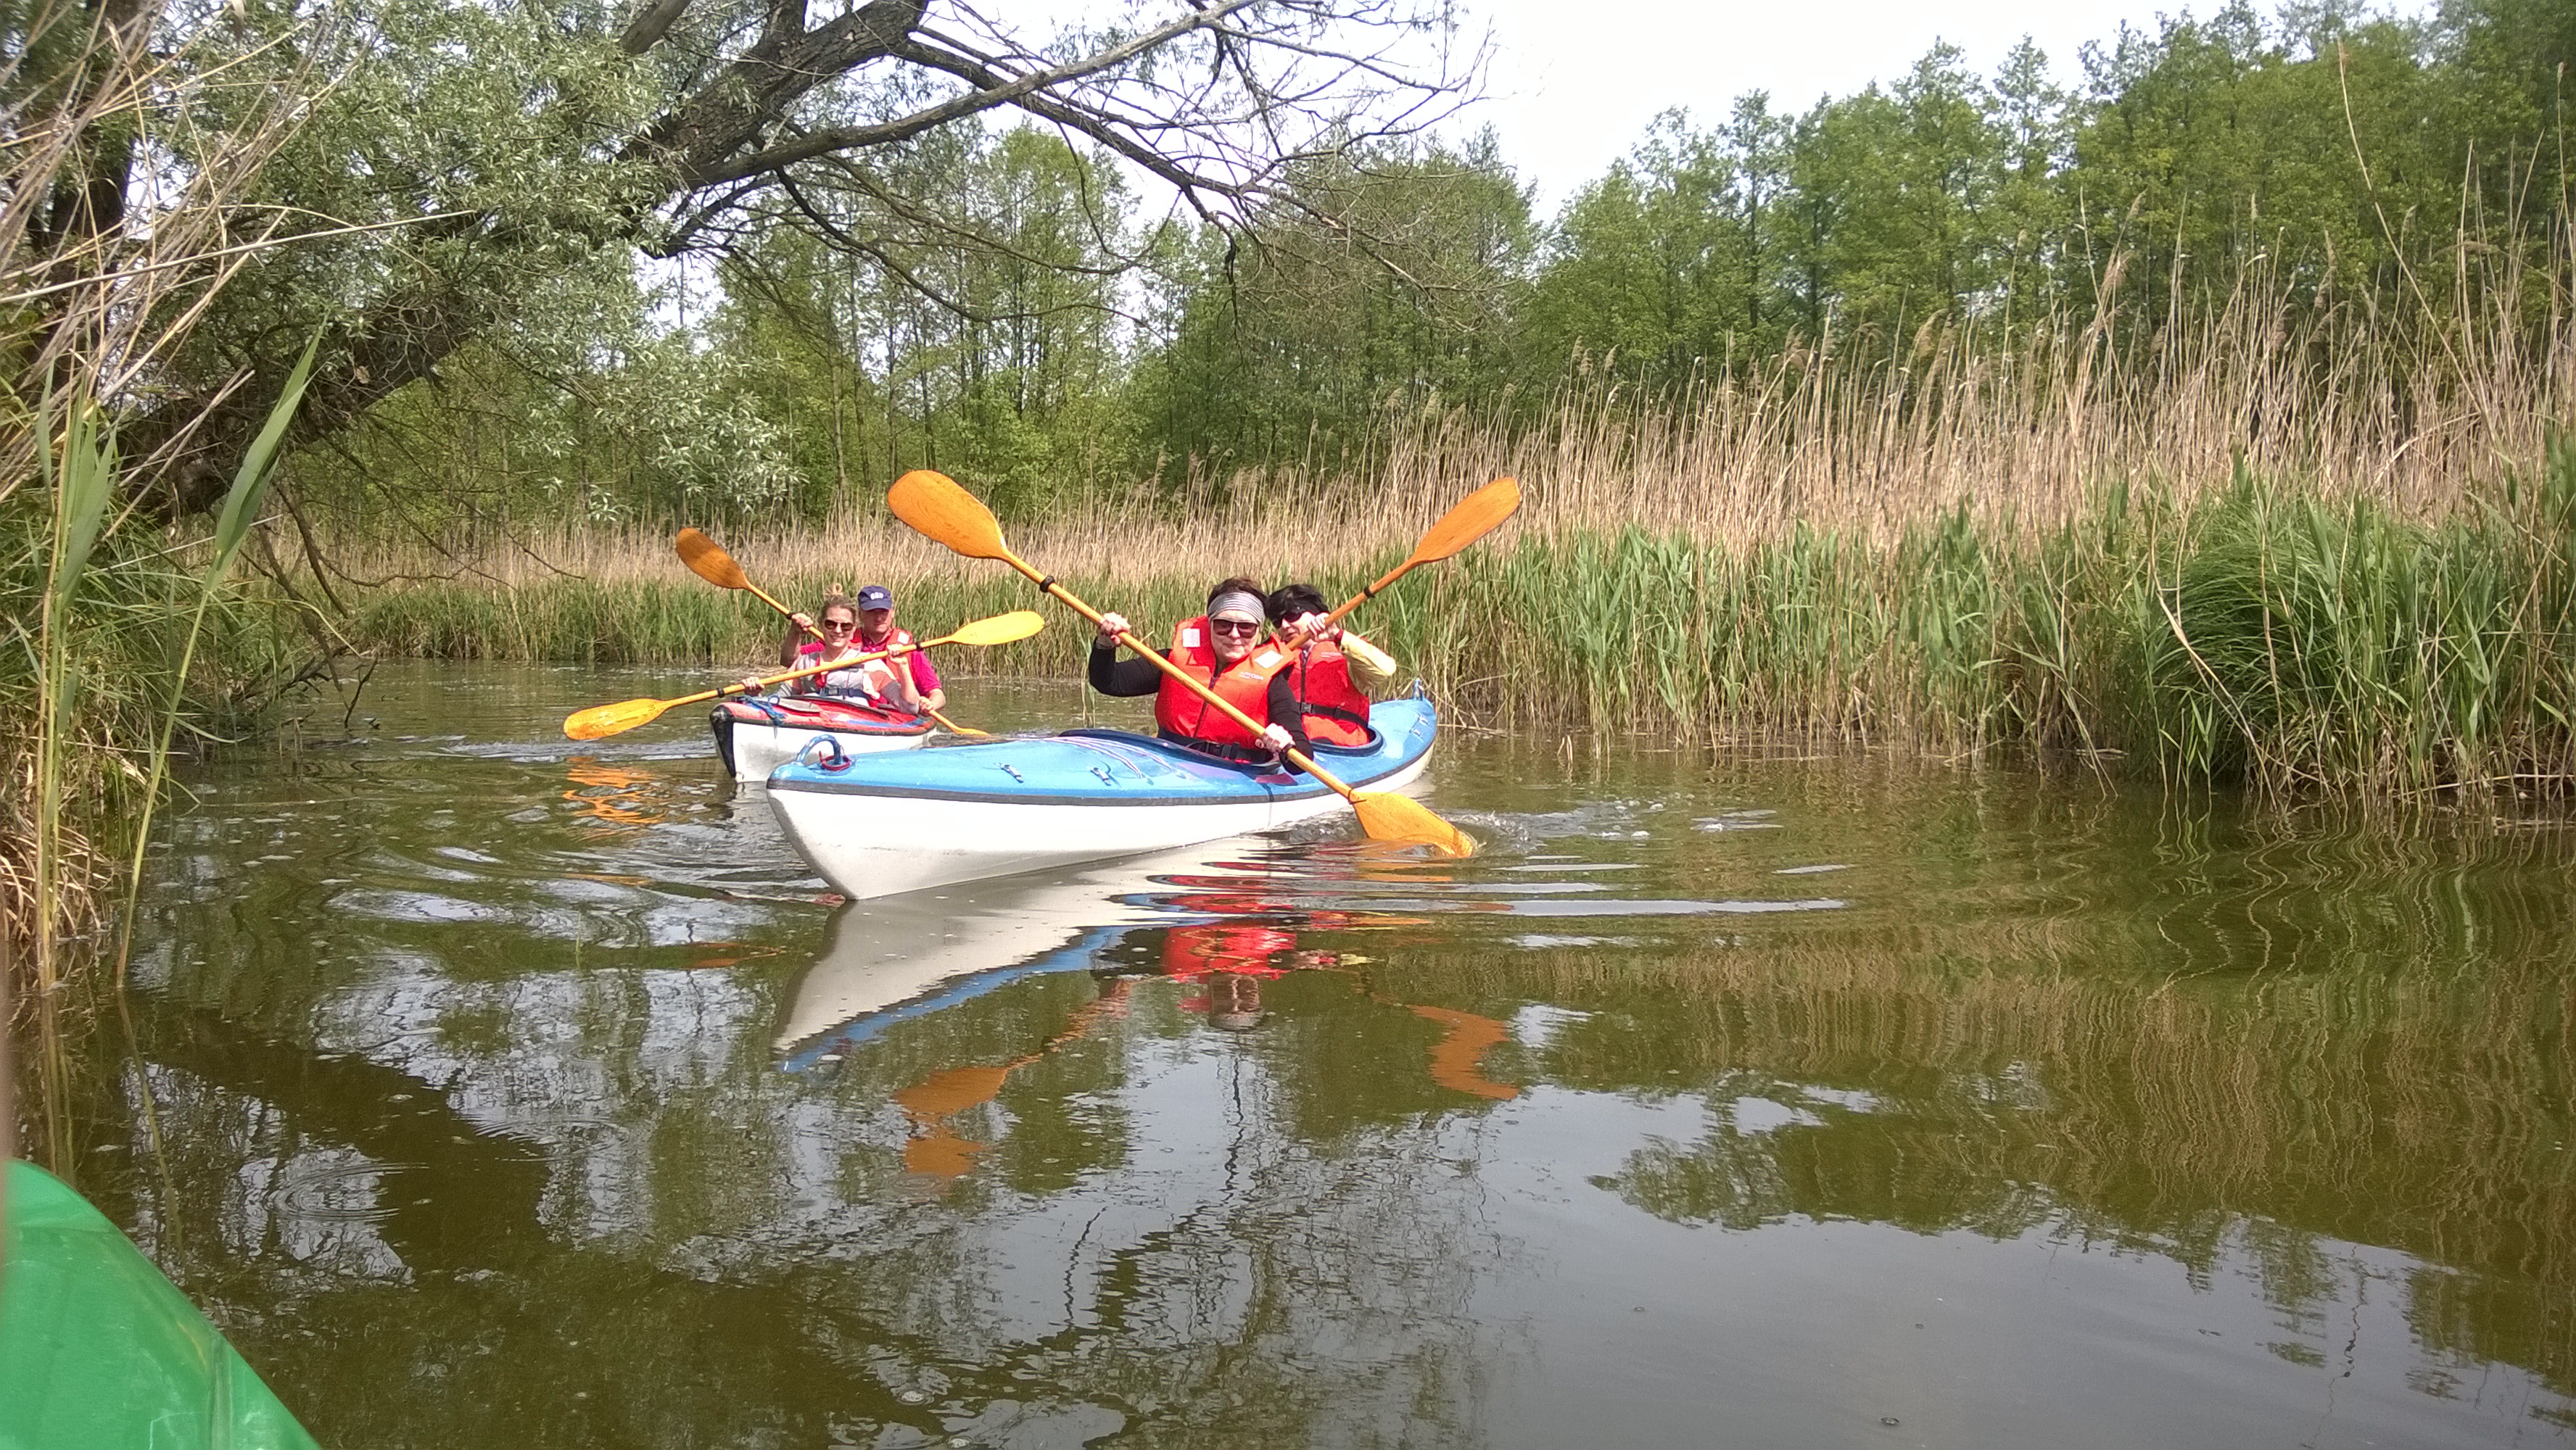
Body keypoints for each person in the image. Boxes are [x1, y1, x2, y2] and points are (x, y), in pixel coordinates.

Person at [1089, 577, 1309, 764]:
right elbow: (1109, 682)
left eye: (1246, 627)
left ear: (1258, 631)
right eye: (1224, 625)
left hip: (1233, 773)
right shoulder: (1173, 661)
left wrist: (1284, 744)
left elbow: (1303, 758)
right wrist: (1104, 644)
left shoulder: (1273, 681)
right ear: (1210, 624)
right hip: (1171, 761)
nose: (1234, 635)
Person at [1264, 582, 1396, 747]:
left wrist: (1335, 634)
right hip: (1289, 745)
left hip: (1340, 747)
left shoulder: (1348, 650)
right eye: (1277, 621)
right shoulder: (1274, 655)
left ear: (1316, 614)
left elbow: (1385, 670)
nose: (1284, 625)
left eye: (1292, 616)